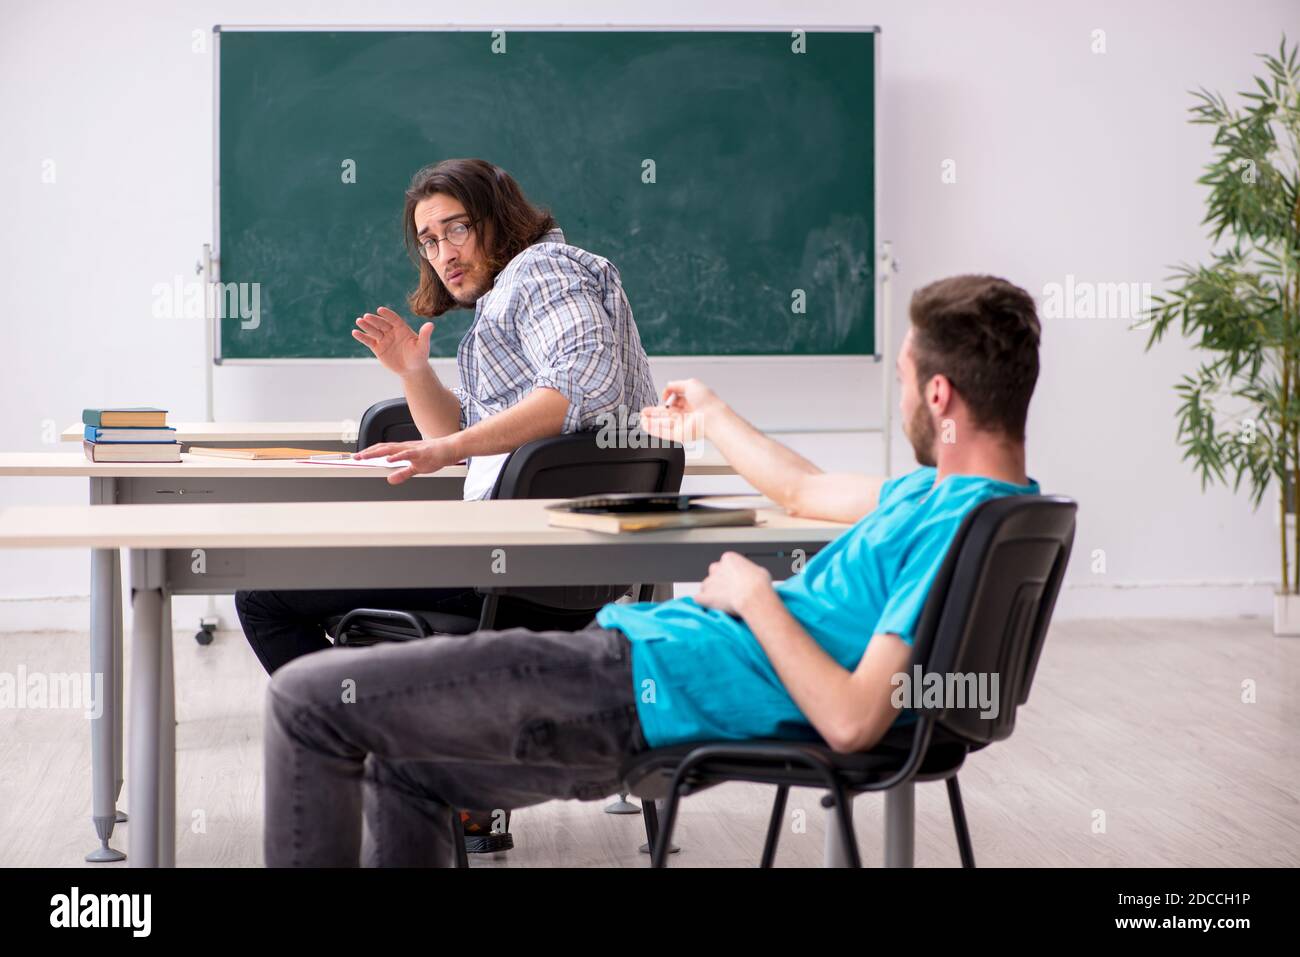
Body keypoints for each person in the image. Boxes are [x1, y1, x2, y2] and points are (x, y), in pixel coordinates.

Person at [261, 273, 1044, 866]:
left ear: (938, 393)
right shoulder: (973, 504)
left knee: (306, 698)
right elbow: (801, 488)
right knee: (404, 767)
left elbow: (851, 719)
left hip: (639, 682)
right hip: (644, 666)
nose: (901, 392)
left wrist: (755, 596)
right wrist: (710, 413)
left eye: (905, 378)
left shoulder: (952, 524)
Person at [236, 158, 657, 676]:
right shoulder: (516, 290)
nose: (444, 253)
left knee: (262, 596)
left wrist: (446, 450)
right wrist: (414, 373)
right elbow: (465, 431)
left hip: (507, 561)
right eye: (429, 241)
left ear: (498, 218)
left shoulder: (543, 271)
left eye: (457, 228)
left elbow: (582, 389)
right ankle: (390, 732)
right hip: (544, 567)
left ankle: (363, 733)